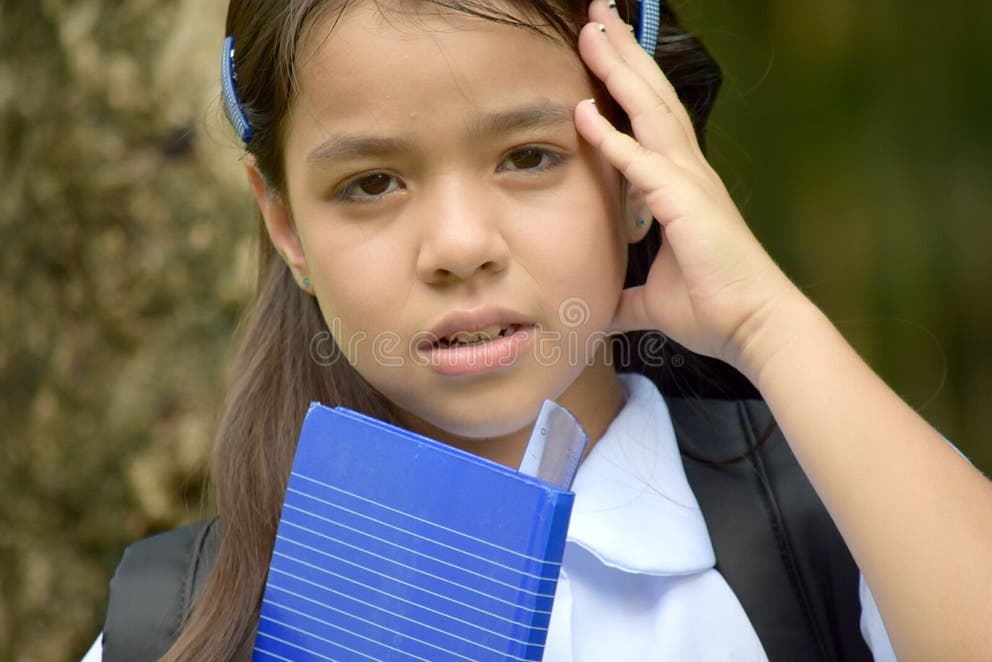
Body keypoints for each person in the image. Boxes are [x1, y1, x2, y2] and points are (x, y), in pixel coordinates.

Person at [85, 0, 992, 659]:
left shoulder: (844, 524)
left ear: (637, 169)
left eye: (528, 157)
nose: (458, 246)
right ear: (285, 225)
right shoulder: (176, 623)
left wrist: (764, 321)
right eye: (370, 183)